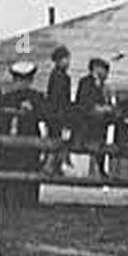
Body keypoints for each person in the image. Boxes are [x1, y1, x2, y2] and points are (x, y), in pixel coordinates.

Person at [0, 60, 47, 204]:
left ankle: (23, 200)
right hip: (20, 144)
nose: (22, 83)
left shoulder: (7, 98)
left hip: (18, 143)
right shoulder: (36, 97)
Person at [74, 57, 117, 176]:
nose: (106, 74)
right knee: (97, 143)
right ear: (97, 69)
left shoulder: (103, 85)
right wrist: (101, 108)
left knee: (101, 141)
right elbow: (84, 103)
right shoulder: (86, 82)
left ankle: (101, 168)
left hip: (98, 121)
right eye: (105, 71)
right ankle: (100, 169)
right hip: (87, 122)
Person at [44, 45, 73, 175]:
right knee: (56, 139)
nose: (68, 62)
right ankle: (50, 166)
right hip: (57, 114)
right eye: (65, 59)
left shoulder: (59, 75)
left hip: (56, 113)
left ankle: (54, 165)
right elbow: (58, 98)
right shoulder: (59, 77)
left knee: (56, 138)